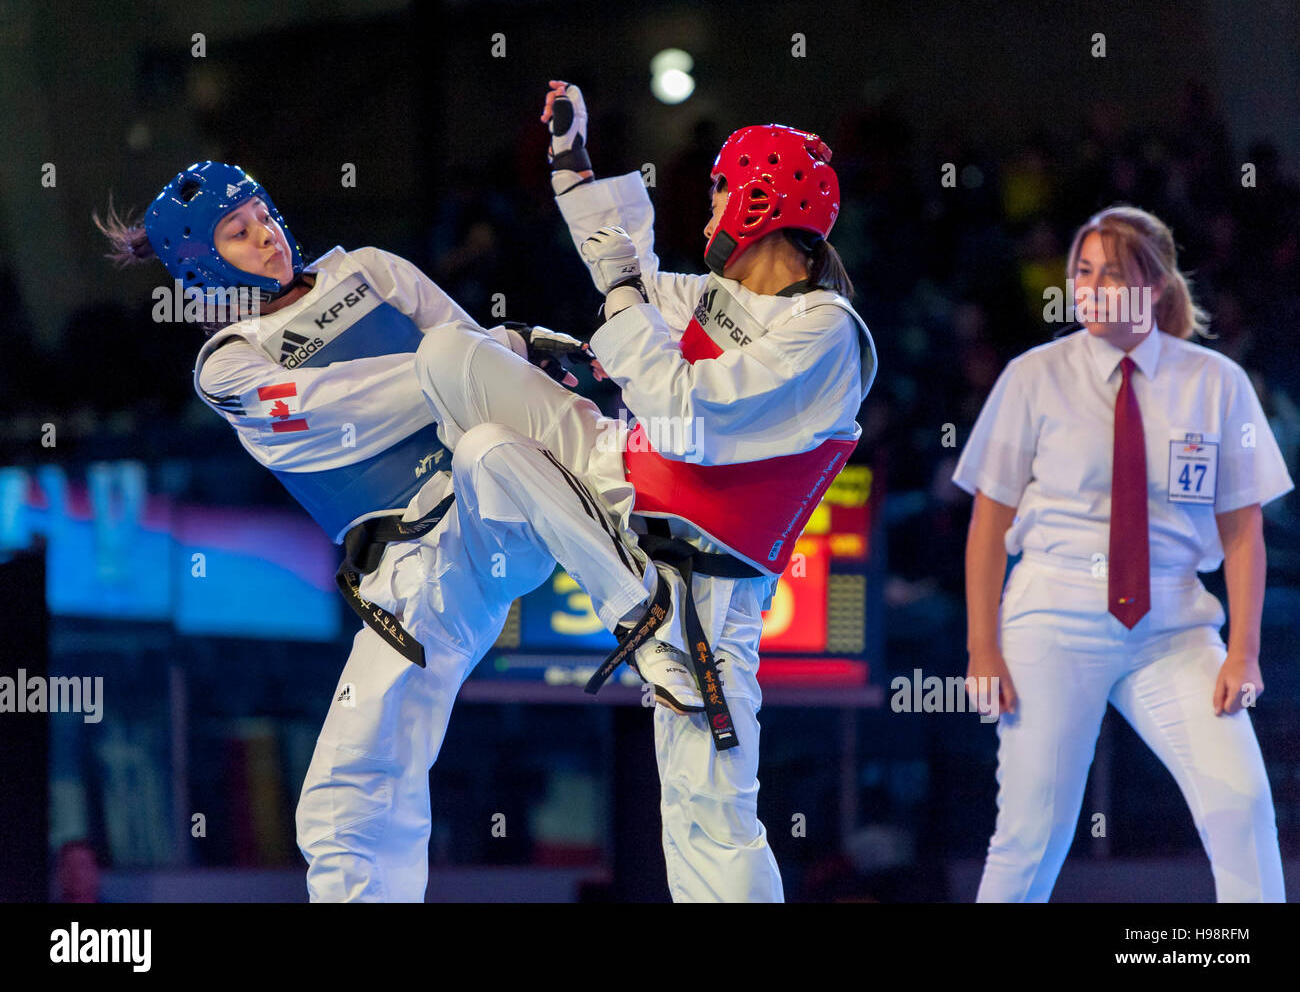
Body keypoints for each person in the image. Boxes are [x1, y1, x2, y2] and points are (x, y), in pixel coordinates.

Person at [95, 161, 681, 901]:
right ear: (204, 265)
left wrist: (500, 351)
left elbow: (472, 360)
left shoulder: (369, 269)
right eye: (238, 235)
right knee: (345, 802)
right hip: (413, 575)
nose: (266, 236)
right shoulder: (230, 367)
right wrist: (503, 348)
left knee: (487, 440)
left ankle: (647, 600)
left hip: (501, 500)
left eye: (263, 215)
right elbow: (359, 398)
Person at [414, 81, 877, 901]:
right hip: (622, 497)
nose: (710, 208)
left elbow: (683, 420)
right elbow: (626, 276)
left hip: (705, 592)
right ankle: (586, 595)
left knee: (711, 823)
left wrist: (628, 312)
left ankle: (644, 620)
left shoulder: (827, 335)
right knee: (457, 368)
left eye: (721, 189)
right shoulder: (720, 297)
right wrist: (573, 166)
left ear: (763, 200)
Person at [954, 205, 1290, 902]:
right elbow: (989, 523)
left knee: (1243, 807)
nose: (1092, 285)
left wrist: (1245, 651)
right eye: (1083, 270)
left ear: (1157, 284)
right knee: (1032, 835)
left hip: (1175, 626)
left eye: (1112, 272)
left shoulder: (1216, 382)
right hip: (1052, 615)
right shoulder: (1034, 375)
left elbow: (1243, 530)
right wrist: (981, 646)